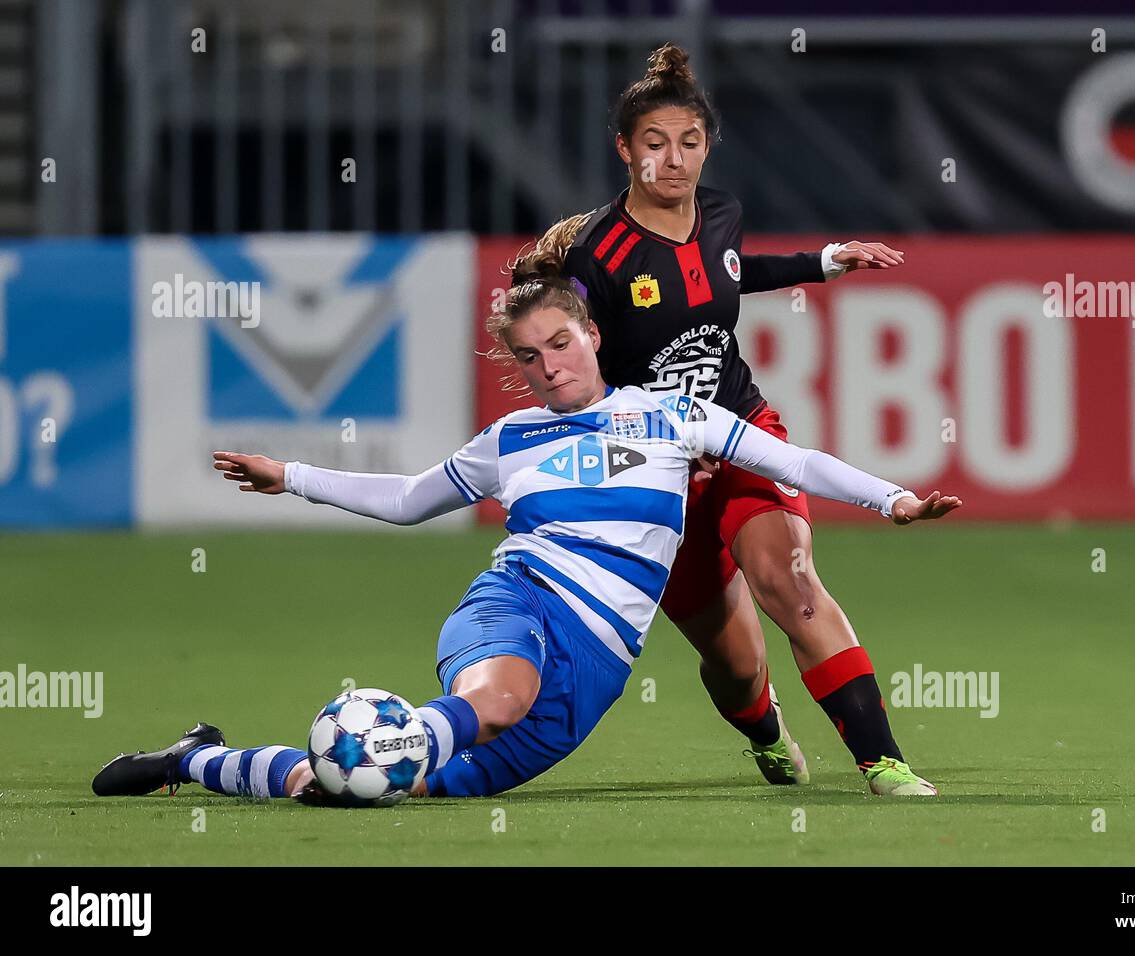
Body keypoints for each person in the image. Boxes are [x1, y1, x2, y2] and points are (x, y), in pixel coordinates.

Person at [90, 259, 959, 804]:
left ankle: (194, 762)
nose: (549, 368)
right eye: (529, 358)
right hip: (517, 603)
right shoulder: (511, 441)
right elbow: (406, 498)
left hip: (595, 665)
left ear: (591, 335)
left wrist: (894, 501)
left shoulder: (673, 416)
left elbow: (794, 464)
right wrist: (294, 477)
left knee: (379, 788)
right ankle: (374, 735)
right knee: (493, 701)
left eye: (560, 344)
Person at [532, 42, 928, 794]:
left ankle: (884, 762)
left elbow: (730, 273)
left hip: (743, 430)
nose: (673, 160)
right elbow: (577, 385)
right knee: (735, 661)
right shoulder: (597, 257)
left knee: (792, 584)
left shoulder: (721, 212)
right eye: (654, 144)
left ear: (708, 146)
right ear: (624, 150)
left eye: (689, 141)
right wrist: (647, 442)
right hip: (656, 471)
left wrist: (823, 261)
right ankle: (767, 732)